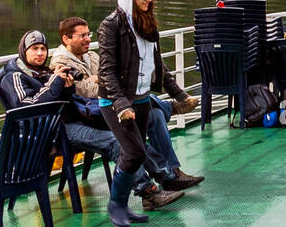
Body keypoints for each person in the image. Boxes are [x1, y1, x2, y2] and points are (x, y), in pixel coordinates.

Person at [0, 30, 162, 203]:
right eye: (34, 49)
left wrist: (67, 88)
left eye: (43, 49)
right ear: (23, 51)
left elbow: (60, 103)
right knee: (114, 142)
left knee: (128, 136)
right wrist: (55, 81)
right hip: (46, 135)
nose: (40, 53)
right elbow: (27, 107)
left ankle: (165, 175)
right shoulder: (13, 76)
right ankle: (147, 192)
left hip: (64, 124)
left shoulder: (40, 72)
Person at [51, 16, 202, 207]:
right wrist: (104, 82)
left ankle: (171, 173)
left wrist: (99, 80)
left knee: (153, 116)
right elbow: (90, 91)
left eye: (88, 34)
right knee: (129, 134)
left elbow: (110, 78)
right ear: (66, 39)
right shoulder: (60, 64)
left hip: (106, 108)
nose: (88, 39)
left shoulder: (92, 56)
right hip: (90, 117)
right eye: (82, 36)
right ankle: (170, 107)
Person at [98, 0, 195, 227]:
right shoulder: (112, 25)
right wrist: (121, 104)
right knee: (134, 152)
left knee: (136, 155)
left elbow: (157, 64)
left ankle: (123, 205)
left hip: (141, 98)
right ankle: (116, 205)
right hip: (115, 103)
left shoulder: (147, 23)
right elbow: (107, 70)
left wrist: (180, 95)